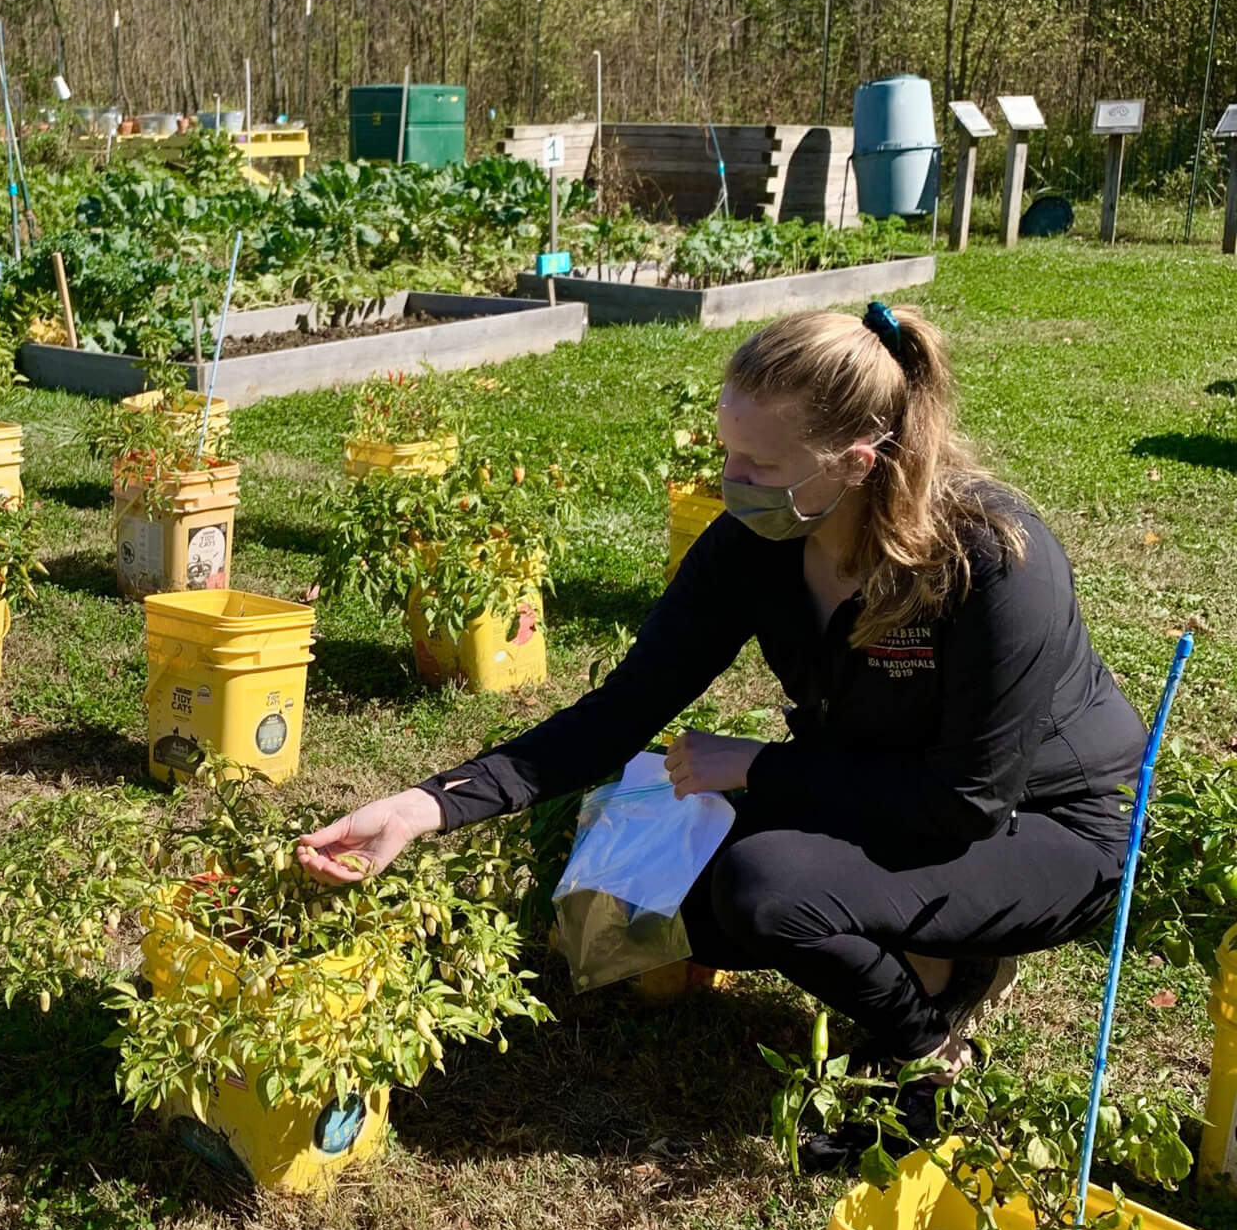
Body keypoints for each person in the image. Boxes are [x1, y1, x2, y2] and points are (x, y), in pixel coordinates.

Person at [298, 303, 1146, 1161]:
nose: (731, 480)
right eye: (727, 451)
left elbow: (965, 802)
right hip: (890, 786)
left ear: (856, 463)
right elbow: (618, 713)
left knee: (765, 889)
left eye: (759, 463)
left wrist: (759, 769)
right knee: (678, 902)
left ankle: (923, 1043)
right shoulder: (755, 543)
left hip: (1043, 822)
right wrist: (420, 808)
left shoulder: (990, 561)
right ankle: (935, 955)